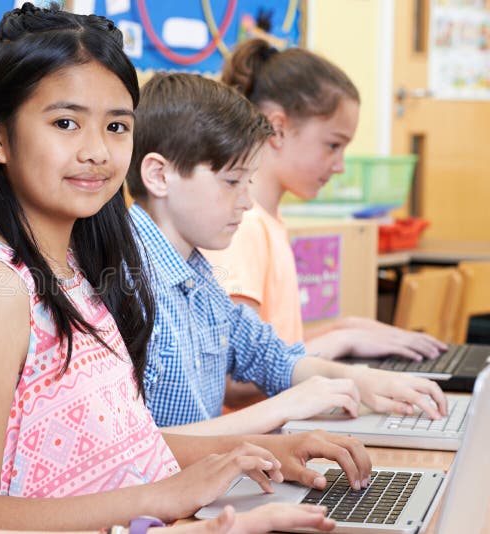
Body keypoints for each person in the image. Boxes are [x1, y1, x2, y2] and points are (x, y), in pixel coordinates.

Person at [0, 4, 348, 533]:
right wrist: (166, 496)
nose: (97, 151)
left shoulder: (76, 268)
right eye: (65, 123)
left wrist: (267, 447)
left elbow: (121, 448)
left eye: (117, 125)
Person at [125, 72, 448, 439]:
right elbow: (146, 449)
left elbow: (271, 358)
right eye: (232, 182)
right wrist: (282, 408)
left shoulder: (197, 278)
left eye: (249, 182)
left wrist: (359, 379)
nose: (246, 202)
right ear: (159, 175)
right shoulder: (129, 287)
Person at [206, 38, 446, 363]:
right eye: (333, 145)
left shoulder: (268, 219)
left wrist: (348, 327)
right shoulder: (243, 226)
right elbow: (237, 371)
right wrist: (345, 339)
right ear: (277, 129)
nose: (340, 165)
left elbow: (276, 345)